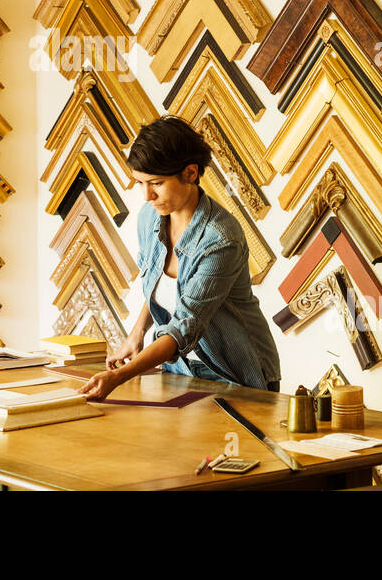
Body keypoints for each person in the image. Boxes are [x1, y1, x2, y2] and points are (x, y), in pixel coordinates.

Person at [79, 116, 282, 401]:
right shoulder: (150, 218)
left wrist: (119, 377)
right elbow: (160, 286)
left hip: (237, 375)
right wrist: (136, 333)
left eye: (156, 183)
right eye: (140, 183)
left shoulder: (221, 239)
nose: (147, 195)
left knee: (224, 447)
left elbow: (184, 326)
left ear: (190, 173)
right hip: (182, 369)